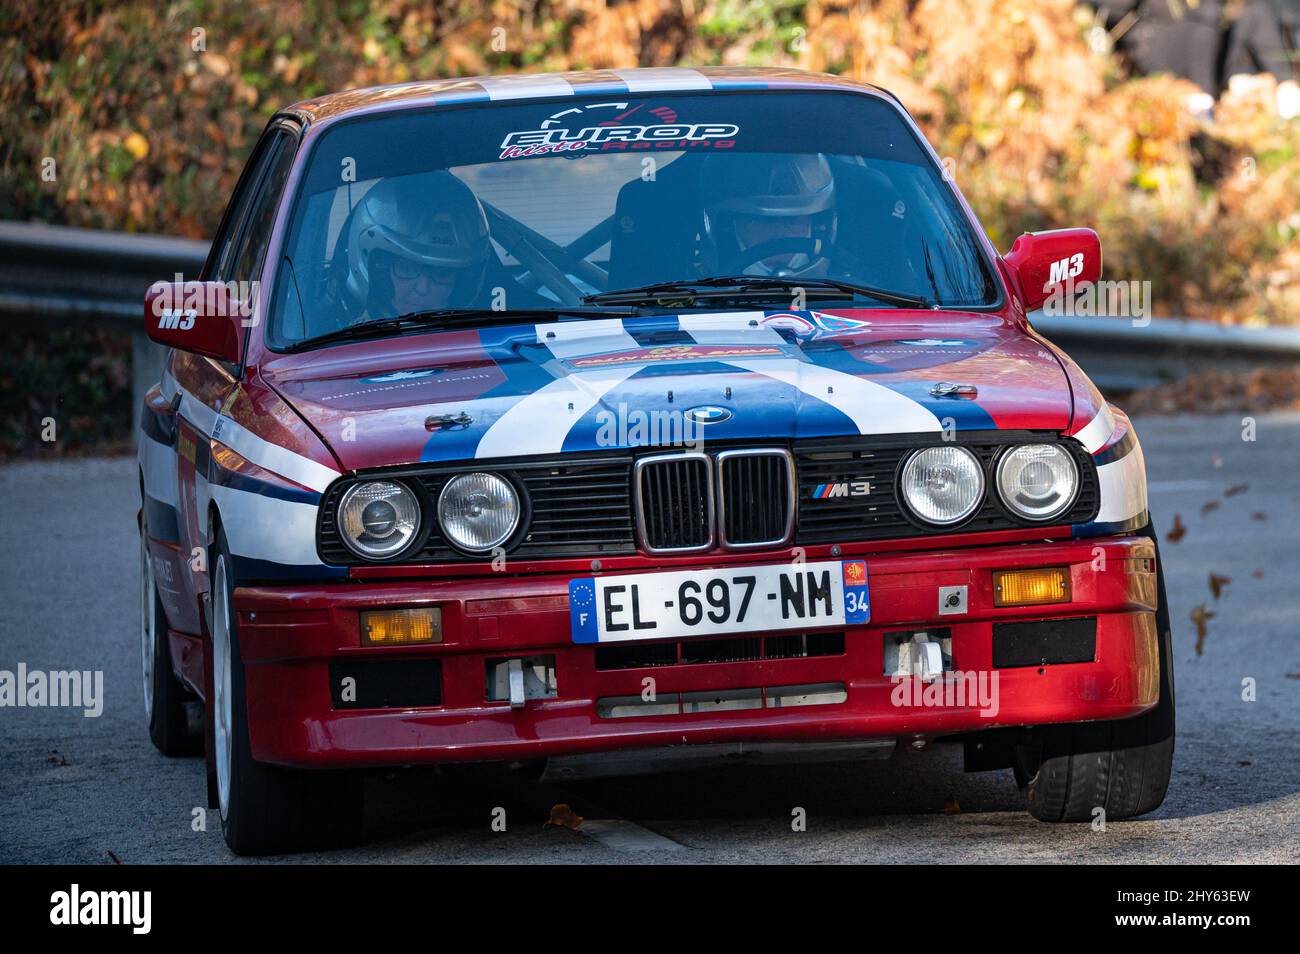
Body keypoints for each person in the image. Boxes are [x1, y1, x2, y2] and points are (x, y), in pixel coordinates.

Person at [344, 170, 492, 321]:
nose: (423, 288)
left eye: (442, 273)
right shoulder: (347, 344)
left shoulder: (485, 340)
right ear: (379, 272)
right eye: (407, 268)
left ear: (461, 282)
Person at [698, 153, 839, 278]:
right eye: (763, 221)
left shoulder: (856, 293)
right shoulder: (687, 294)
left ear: (817, 228)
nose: (778, 234)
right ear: (727, 228)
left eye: (790, 221)